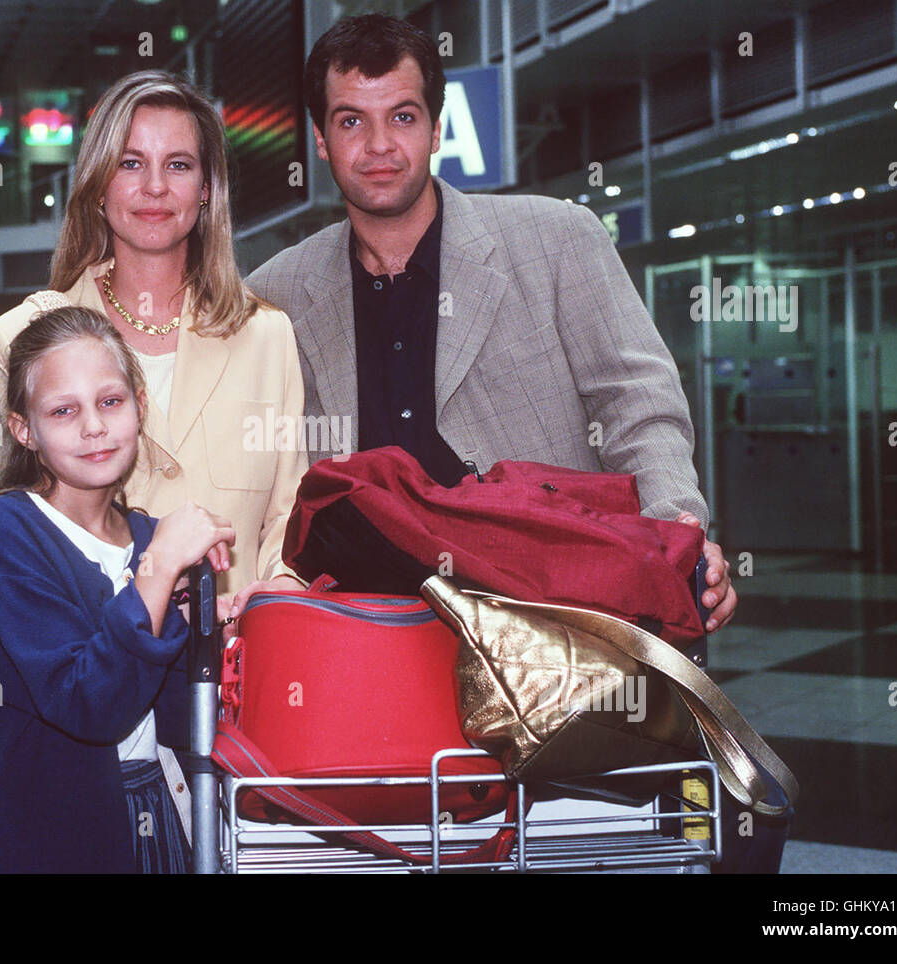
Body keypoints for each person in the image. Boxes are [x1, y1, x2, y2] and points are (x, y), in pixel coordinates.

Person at [245, 12, 782, 870]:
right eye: (352, 120)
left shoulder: (554, 240)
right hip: (378, 653)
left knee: (596, 850)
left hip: (558, 634)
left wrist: (679, 534)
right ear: (318, 138)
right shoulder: (277, 294)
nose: (380, 145)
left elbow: (639, 402)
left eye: (403, 116)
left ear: (436, 123)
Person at [0, 70, 306, 617]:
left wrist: (280, 593)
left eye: (178, 165)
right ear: (97, 185)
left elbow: (287, 514)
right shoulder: (21, 337)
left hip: (237, 665)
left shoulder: (266, 335)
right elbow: (30, 531)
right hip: (97, 670)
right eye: (130, 163)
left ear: (206, 190)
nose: (155, 186)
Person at [0, 305, 233, 873]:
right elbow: (90, 704)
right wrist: (156, 573)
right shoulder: (5, 533)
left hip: (163, 816)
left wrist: (214, 622)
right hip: (51, 841)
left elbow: (179, 718)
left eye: (111, 401)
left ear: (138, 405)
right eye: (63, 411)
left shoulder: (150, 537)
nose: (93, 427)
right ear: (23, 430)